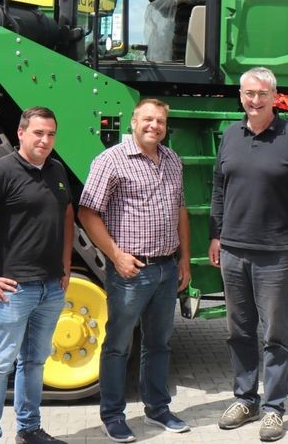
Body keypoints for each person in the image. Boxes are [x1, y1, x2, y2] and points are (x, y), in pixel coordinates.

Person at [209, 67, 288, 442]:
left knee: (276, 335)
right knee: (238, 331)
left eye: (261, 94)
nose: (254, 100)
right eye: (248, 94)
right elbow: (219, 188)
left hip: (276, 254)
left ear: (274, 97)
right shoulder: (230, 135)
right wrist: (215, 236)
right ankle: (245, 399)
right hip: (233, 252)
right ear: (240, 96)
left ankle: (273, 409)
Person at [0, 106, 74, 444]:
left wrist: (64, 265)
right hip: (14, 289)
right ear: (21, 133)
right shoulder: (0, 172)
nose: (45, 139)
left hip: (50, 287)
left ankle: (29, 430)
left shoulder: (57, 170)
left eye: (51, 134)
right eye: (38, 133)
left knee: (35, 362)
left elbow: (67, 215)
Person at [79, 98, 192, 442]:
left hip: (166, 268)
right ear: (133, 121)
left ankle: (158, 408)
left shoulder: (173, 160)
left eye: (159, 121)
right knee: (118, 345)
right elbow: (87, 212)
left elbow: (181, 210)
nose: (154, 126)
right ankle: (112, 415)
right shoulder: (110, 160)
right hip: (132, 271)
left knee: (159, 343)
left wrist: (184, 259)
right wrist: (116, 256)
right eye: (147, 119)